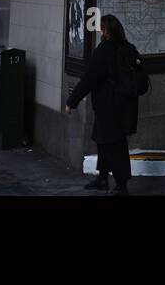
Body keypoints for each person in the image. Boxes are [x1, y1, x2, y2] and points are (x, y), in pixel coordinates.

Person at [65, 14, 140, 195]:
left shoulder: (104, 50)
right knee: (103, 140)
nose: (99, 30)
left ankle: (121, 184)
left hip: (109, 106)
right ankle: (103, 178)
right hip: (124, 105)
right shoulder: (128, 47)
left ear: (105, 31)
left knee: (114, 143)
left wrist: (72, 101)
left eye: (101, 28)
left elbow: (89, 79)